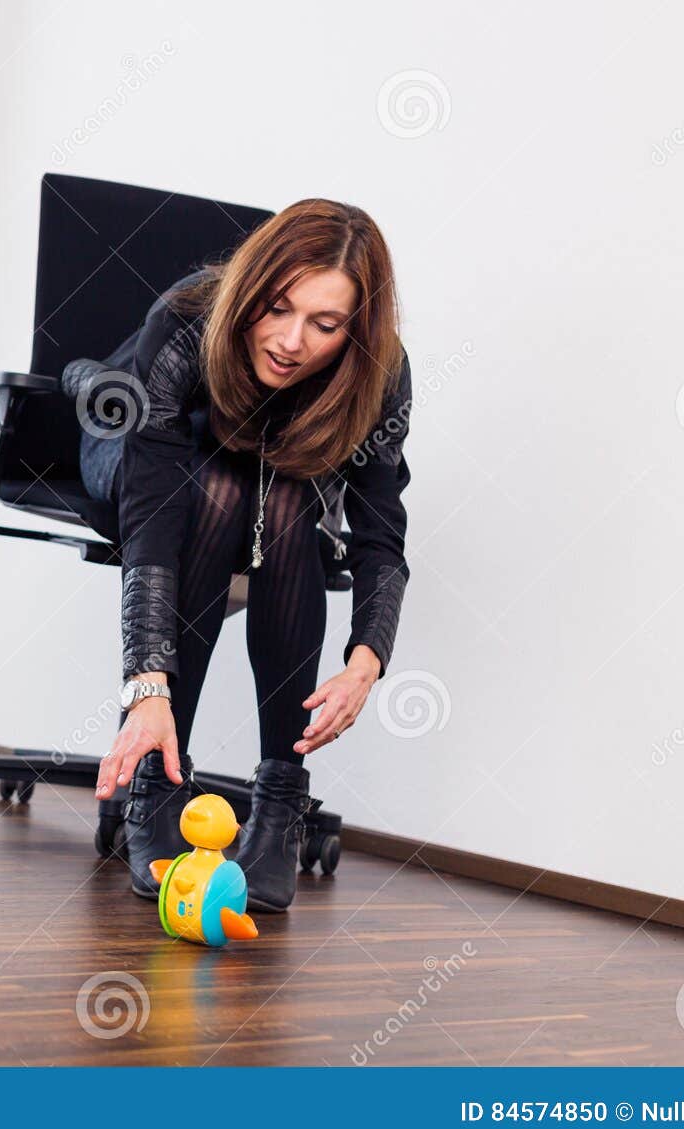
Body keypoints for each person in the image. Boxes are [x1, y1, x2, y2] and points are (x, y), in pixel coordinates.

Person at [77, 199, 412, 913]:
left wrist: (367, 661)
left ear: (356, 331)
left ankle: (281, 801)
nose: (292, 341)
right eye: (278, 308)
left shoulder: (379, 375)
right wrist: (147, 684)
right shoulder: (186, 321)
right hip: (132, 463)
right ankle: (158, 780)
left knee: (286, 502)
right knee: (220, 492)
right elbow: (154, 510)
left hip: (262, 491)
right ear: (251, 286)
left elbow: (381, 530)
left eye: (325, 325)